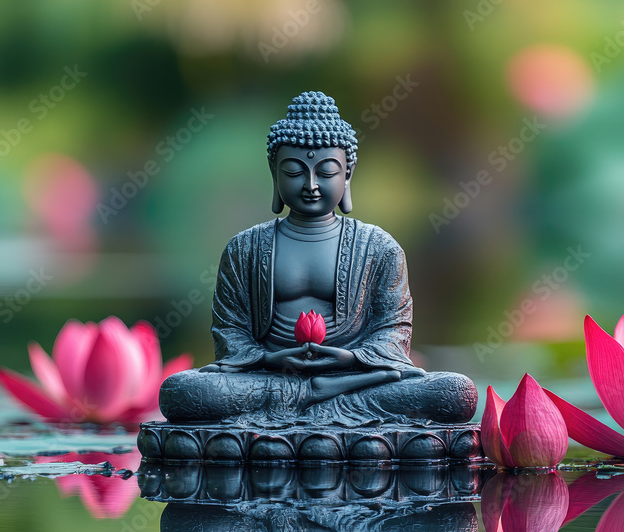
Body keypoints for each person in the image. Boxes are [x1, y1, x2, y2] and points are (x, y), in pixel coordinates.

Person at [159, 92, 477, 428]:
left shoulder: (379, 247)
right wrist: (270, 358)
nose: (311, 185)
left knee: (455, 392)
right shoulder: (245, 248)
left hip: (354, 378)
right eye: (295, 172)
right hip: (270, 378)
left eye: (326, 172)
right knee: (183, 391)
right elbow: (230, 333)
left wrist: (350, 357)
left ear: (348, 174)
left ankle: (301, 407)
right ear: (275, 174)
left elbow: (393, 331)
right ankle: (320, 406)